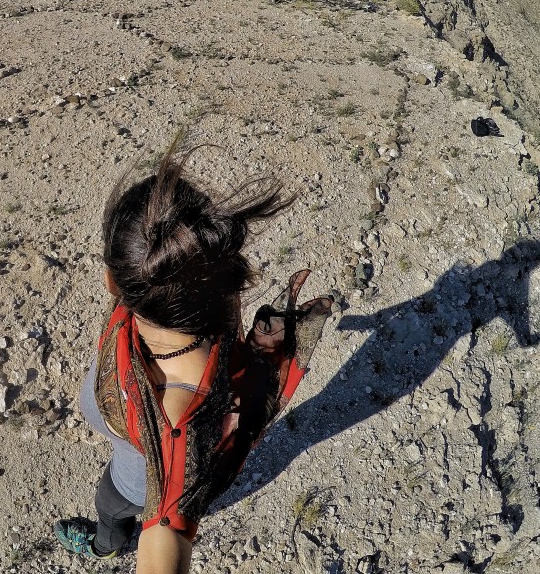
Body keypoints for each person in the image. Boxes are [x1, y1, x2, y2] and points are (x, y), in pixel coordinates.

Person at [54, 145, 333, 574]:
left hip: (135, 483)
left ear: (110, 280)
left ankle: (106, 543)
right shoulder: (204, 301)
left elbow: (164, 540)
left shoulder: (177, 419)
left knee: (109, 507)